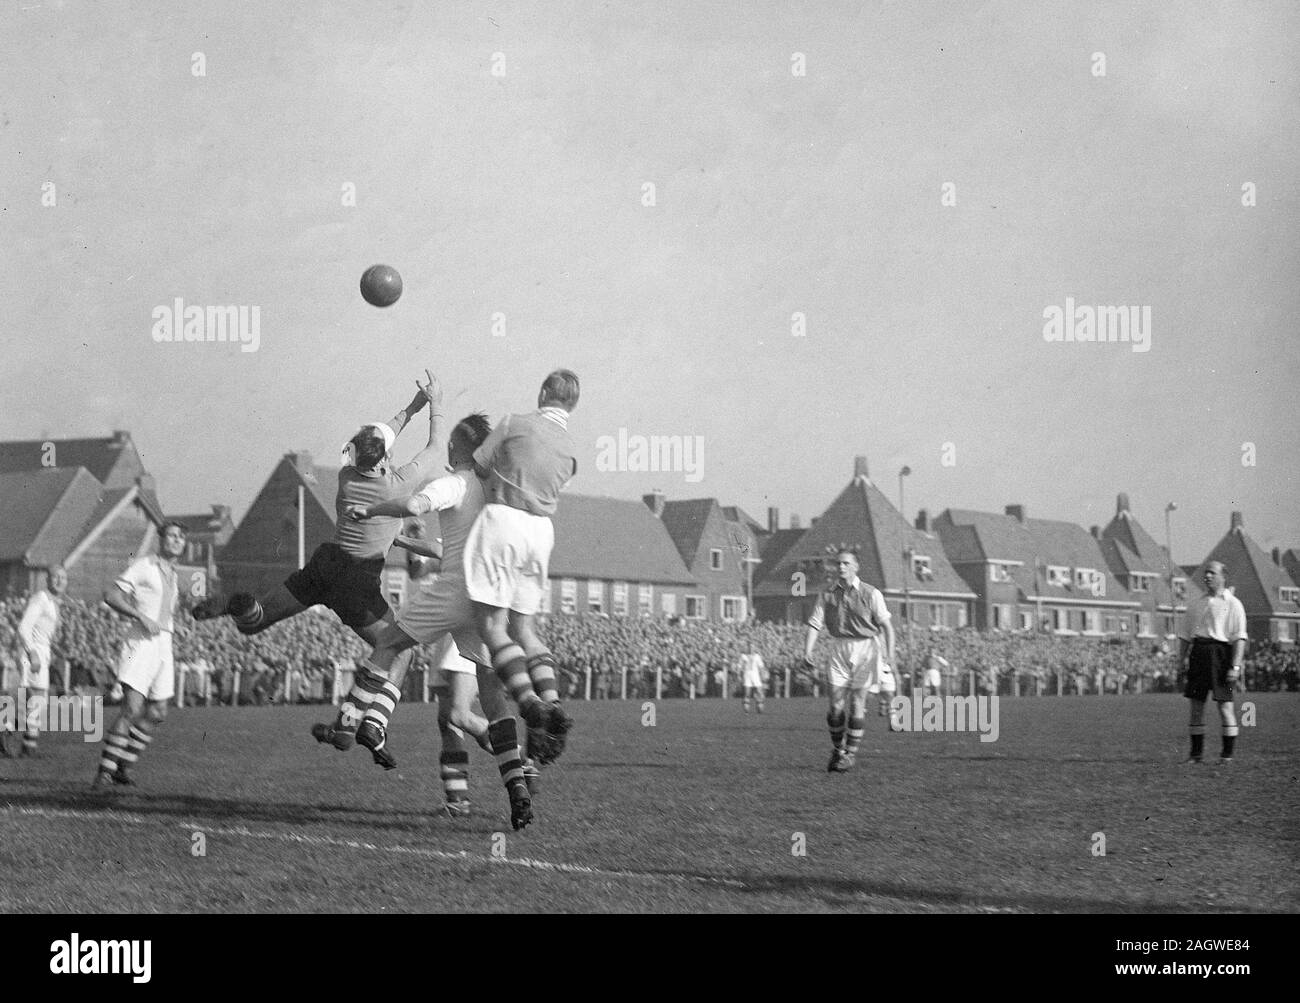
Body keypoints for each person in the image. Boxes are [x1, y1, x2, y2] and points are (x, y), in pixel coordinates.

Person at [197, 370, 441, 752]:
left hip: (324, 565)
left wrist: (412, 407)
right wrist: (436, 407)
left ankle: (243, 608)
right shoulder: (397, 486)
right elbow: (435, 448)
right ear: (383, 461)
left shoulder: (346, 476)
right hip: (356, 583)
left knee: (256, 622)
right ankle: (362, 722)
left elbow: (382, 437)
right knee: (400, 649)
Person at [333, 412, 536, 829]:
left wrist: (370, 511)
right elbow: (450, 545)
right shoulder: (495, 490)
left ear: (456, 449)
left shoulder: (456, 482)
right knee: (493, 699)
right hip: (487, 599)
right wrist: (407, 540)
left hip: (454, 592)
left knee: (388, 644)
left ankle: (355, 717)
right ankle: (516, 785)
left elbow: (411, 504)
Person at [466, 369, 580, 764]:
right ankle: (552, 699)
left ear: (545, 392)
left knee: (492, 627)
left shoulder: (514, 422)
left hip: (504, 520)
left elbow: (479, 466)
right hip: (541, 532)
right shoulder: (571, 451)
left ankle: (529, 701)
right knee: (525, 629)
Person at [91, 522, 187, 789]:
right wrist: (139, 616)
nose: (177, 540)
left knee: (158, 711)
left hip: (164, 646)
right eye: (172, 535)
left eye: (181, 537)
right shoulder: (145, 566)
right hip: (140, 644)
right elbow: (111, 594)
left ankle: (122, 767)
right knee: (132, 708)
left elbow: (163, 611)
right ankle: (104, 773)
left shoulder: (174, 573)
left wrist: (177, 629)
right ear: (160, 539)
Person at [803, 548, 896, 772]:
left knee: (857, 702)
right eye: (838, 564)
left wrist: (890, 654)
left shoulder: (871, 593)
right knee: (835, 706)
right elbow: (815, 623)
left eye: (845, 563)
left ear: (856, 566)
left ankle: (850, 755)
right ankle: (838, 750)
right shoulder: (826, 593)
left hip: (866, 648)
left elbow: (887, 627)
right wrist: (807, 651)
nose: (841, 567)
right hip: (839, 648)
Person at [1177, 562, 1247, 764]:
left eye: (1212, 573)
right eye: (1206, 572)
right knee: (1196, 707)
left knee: (1225, 708)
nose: (1207, 576)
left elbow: (1239, 638)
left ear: (1223, 577)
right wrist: (1180, 660)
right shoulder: (1197, 603)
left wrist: (1235, 666)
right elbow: (1184, 636)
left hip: (1221, 655)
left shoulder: (1233, 604)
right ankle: (1195, 754)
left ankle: (1227, 755)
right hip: (1198, 654)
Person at [12, 566, 66, 757]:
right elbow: (23, 627)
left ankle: (27, 745)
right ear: (47, 580)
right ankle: (25, 745)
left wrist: (56, 648)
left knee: (37, 700)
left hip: (42, 651)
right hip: (32, 652)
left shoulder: (54, 602)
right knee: (37, 698)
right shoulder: (41, 598)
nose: (59, 581)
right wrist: (32, 652)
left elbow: (44, 630)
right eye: (55, 577)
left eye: (62, 577)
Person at [737, 641, 767, 713]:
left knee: (759, 692)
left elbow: (761, 667)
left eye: (752, 647)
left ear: (754, 648)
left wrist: (763, 675)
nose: (751, 648)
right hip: (747, 676)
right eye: (749, 647)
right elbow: (739, 666)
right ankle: (746, 709)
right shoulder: (743, 656)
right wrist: (738, 675)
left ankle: (759, 707)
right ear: (747, 648)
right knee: (747, 693)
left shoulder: (757, 656)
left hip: (755, 676)